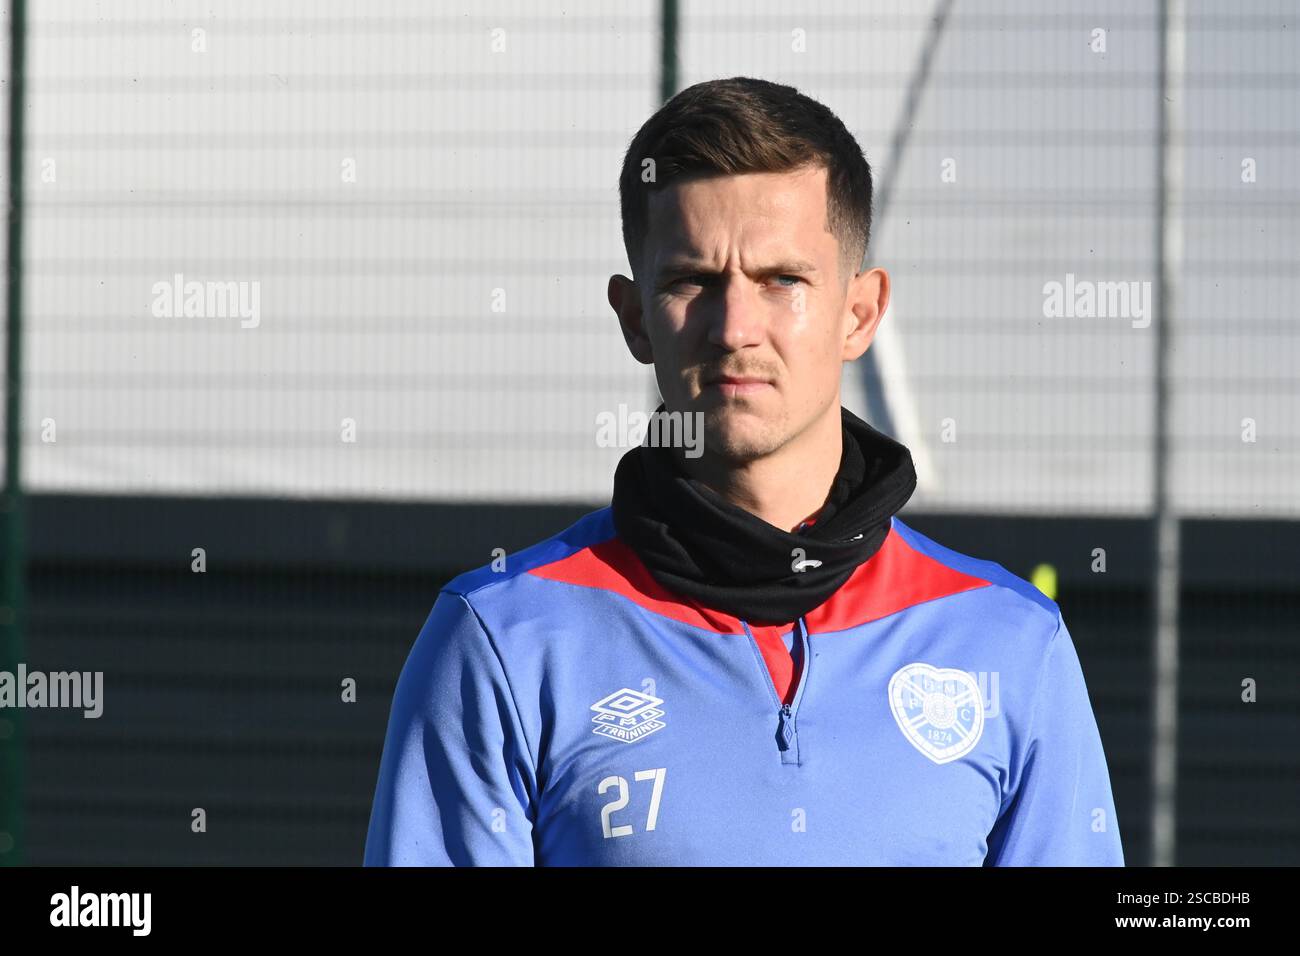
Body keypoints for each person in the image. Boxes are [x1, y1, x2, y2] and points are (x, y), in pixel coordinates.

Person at [363, 76, 1124, 866]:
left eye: (782, 280)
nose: (735, 329)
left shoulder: (1010, 641)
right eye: (692, 281)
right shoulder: (503, 638)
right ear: (634, 319)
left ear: (859, 313)